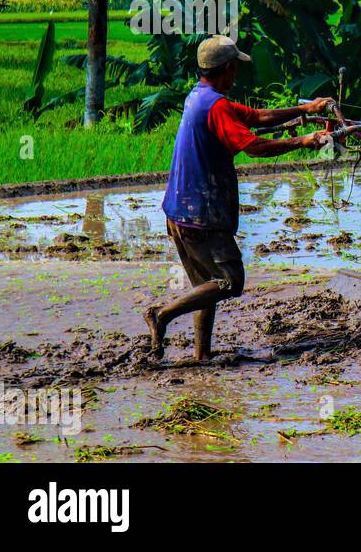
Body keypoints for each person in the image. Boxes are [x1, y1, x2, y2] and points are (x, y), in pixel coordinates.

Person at [143, 35, 335, 361]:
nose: (237, 74)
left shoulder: (200, 96)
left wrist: (306, 109)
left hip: (178, 210)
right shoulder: (215, 106)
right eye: (235, 68)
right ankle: (161, 315)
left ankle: (201, 355)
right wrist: (303, 141)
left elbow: (257, 117)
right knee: (231, 282)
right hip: (200, 215)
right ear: (228, 68)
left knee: (207, 287)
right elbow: (254, 146)